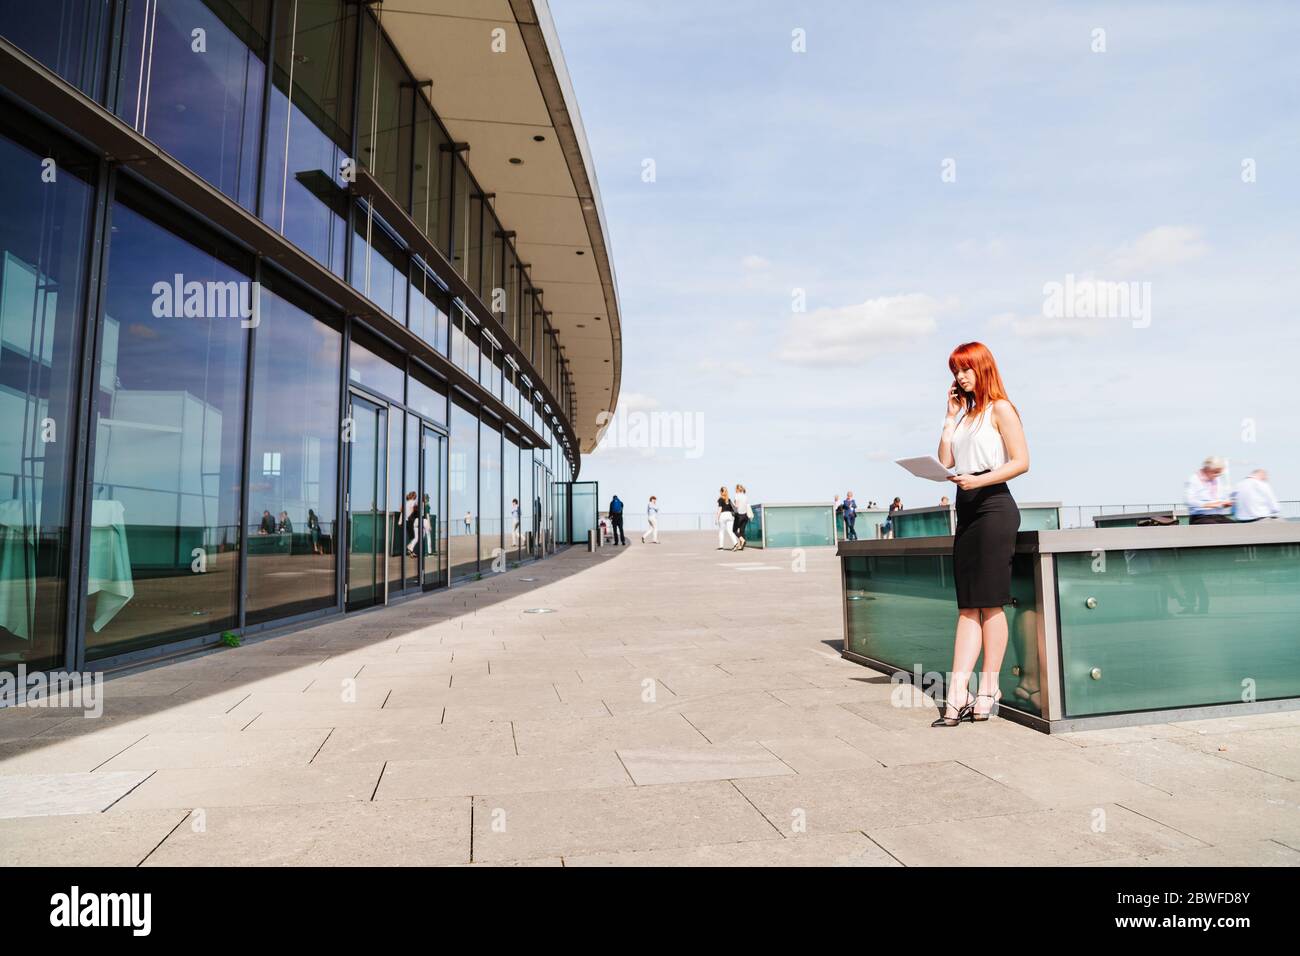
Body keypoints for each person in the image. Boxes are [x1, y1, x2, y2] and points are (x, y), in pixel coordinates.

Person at [933, 341, 1029, 727]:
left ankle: (988, 689)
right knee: (967, 604)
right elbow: (945, 462)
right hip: (966, 508)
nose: (959, 376)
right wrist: (948, 417)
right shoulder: (964, 416)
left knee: (990, 602)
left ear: (983, 368)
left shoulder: (1001, 409)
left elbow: (1022, 461)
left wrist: (979, 481)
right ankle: (958, 692)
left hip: (993, 507)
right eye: (955, 370)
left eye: (966, 369)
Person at [1185, 456, 1233, 524]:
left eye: (1219, 473)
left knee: (1237, 527)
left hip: (1218, 516)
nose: (1218, 475)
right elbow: (1189, 501)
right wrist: (1209, 504)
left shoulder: (1216, 479)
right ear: (1207, 469)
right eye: (1216, 472)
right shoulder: (1194, 479)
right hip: (1200, 517)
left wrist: (1224, 503)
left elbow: (1220, 499)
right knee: (1217, 528)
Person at [732, 484, 752, 550]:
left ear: (737, 489)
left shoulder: (736, 495)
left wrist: (732, 505)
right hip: (745, 516)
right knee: (742, 531)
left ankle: (743, 541)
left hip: (739, 515)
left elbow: (736, 506)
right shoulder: (745, 496)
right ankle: (741, 547)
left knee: (734, 530)